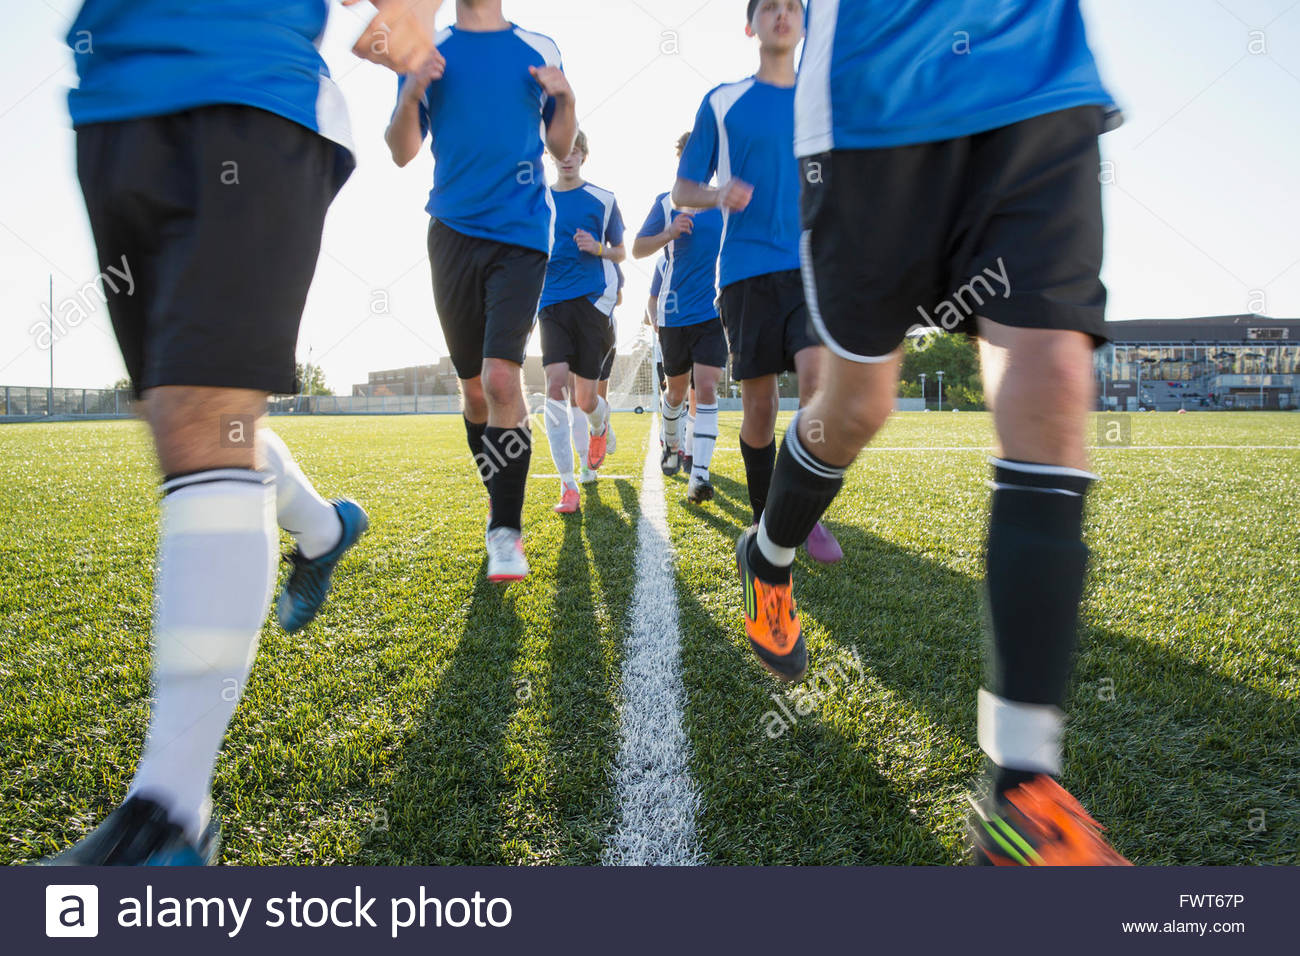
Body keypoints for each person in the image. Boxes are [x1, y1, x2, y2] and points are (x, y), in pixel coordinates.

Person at [44, 0, 439, 866]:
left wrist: (410, 12)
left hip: (255, 89)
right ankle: (324, 527)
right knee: (183, 422)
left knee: (200, 411)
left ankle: (170, 816)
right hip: (115, 100)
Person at [741, 0, 1130, 864]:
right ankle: (768, 551)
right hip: (872, 99)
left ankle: (1021, 794)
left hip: (1038, 75)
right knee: (857, 407)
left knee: (1058, 378)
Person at [386, 0, 577, 578]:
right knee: (473, 391)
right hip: (451, 235)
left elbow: (562, 148)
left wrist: (565, 99)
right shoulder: (425, 46)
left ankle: (506, 532)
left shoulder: (539, 50)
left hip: (521, 235)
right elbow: (400, 151)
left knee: (501, 378)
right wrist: (412, 92)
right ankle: (499, 501)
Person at [674, 0, 840, 557]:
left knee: (819, 385)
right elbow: (683, 189)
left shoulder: (822, 99)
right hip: (745, 274)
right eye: (768, 6)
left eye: (792, 5)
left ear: (803, 21)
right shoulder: (722, 103)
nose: (781, 13)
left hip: (808, 269)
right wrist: (718, 194)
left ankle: (803, 508)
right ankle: (768, 521)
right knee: (761, 409)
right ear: (751, 25)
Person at [536, 130, 626, 513]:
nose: (568, 157)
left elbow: (621, 250)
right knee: (555, 385)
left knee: (586, 399)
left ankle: (599, 427)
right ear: (551, 154)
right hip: (550, 300)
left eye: (576, 150)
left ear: (584, 155)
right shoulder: (537, 198)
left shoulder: (603, 200)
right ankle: (567, 485)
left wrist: (599, 248)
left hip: (592, 301)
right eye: (562, 150)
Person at [635, 132, 726, 502]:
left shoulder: (725, 205)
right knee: (675, 393)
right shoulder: (666, 203)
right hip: (673, 317)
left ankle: (699, 476)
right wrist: (669, 231)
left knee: (705, 388)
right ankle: (671, 444)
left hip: (710, 313)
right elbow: (638, 248)